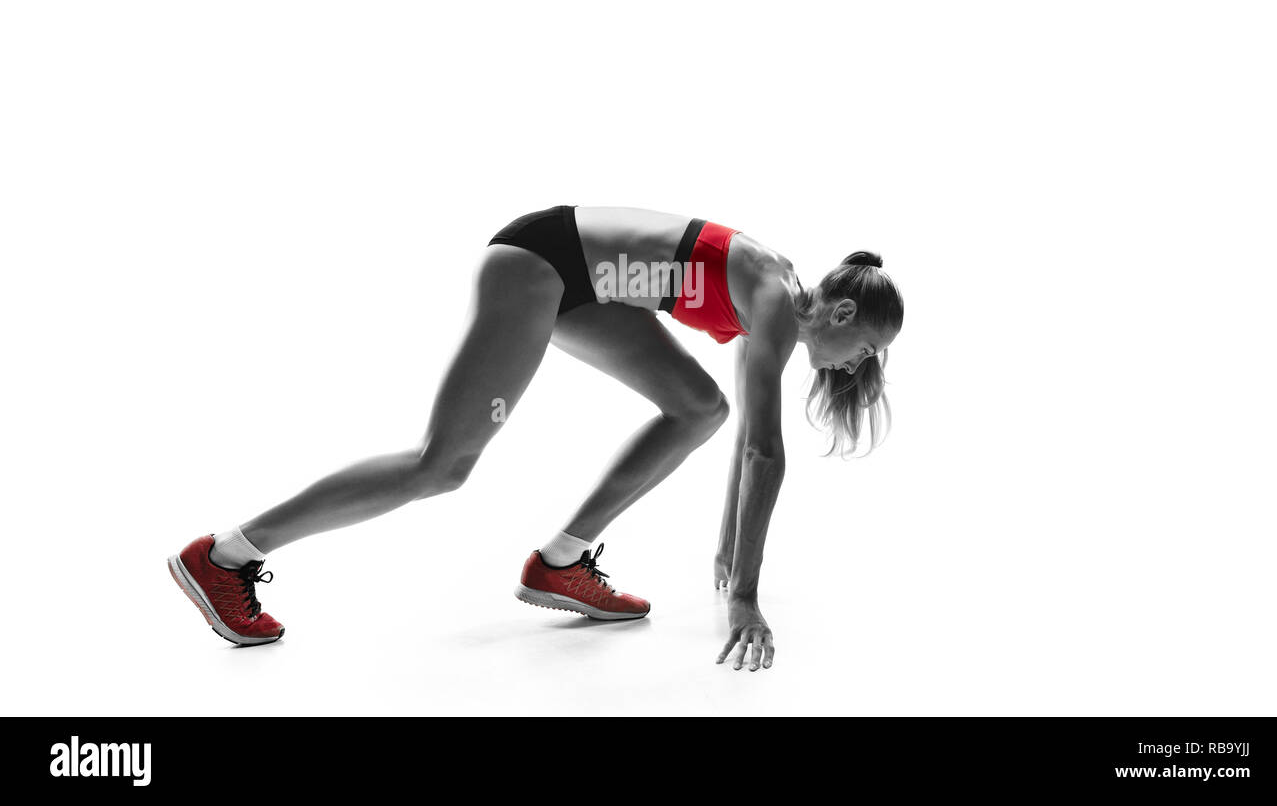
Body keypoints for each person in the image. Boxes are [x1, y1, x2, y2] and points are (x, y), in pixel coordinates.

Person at [168, 206, 904, 671]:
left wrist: (724, 545)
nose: (863, 365)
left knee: (696, 407)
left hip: (585, 286)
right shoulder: (773, 300)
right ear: (840, 314)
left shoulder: (771, 300)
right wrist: (743, 596)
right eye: (870, 347)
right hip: (541, 264)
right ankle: (226, 553)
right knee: (442, 465)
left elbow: (746, 435)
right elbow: (765, 455)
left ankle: (561, 561)